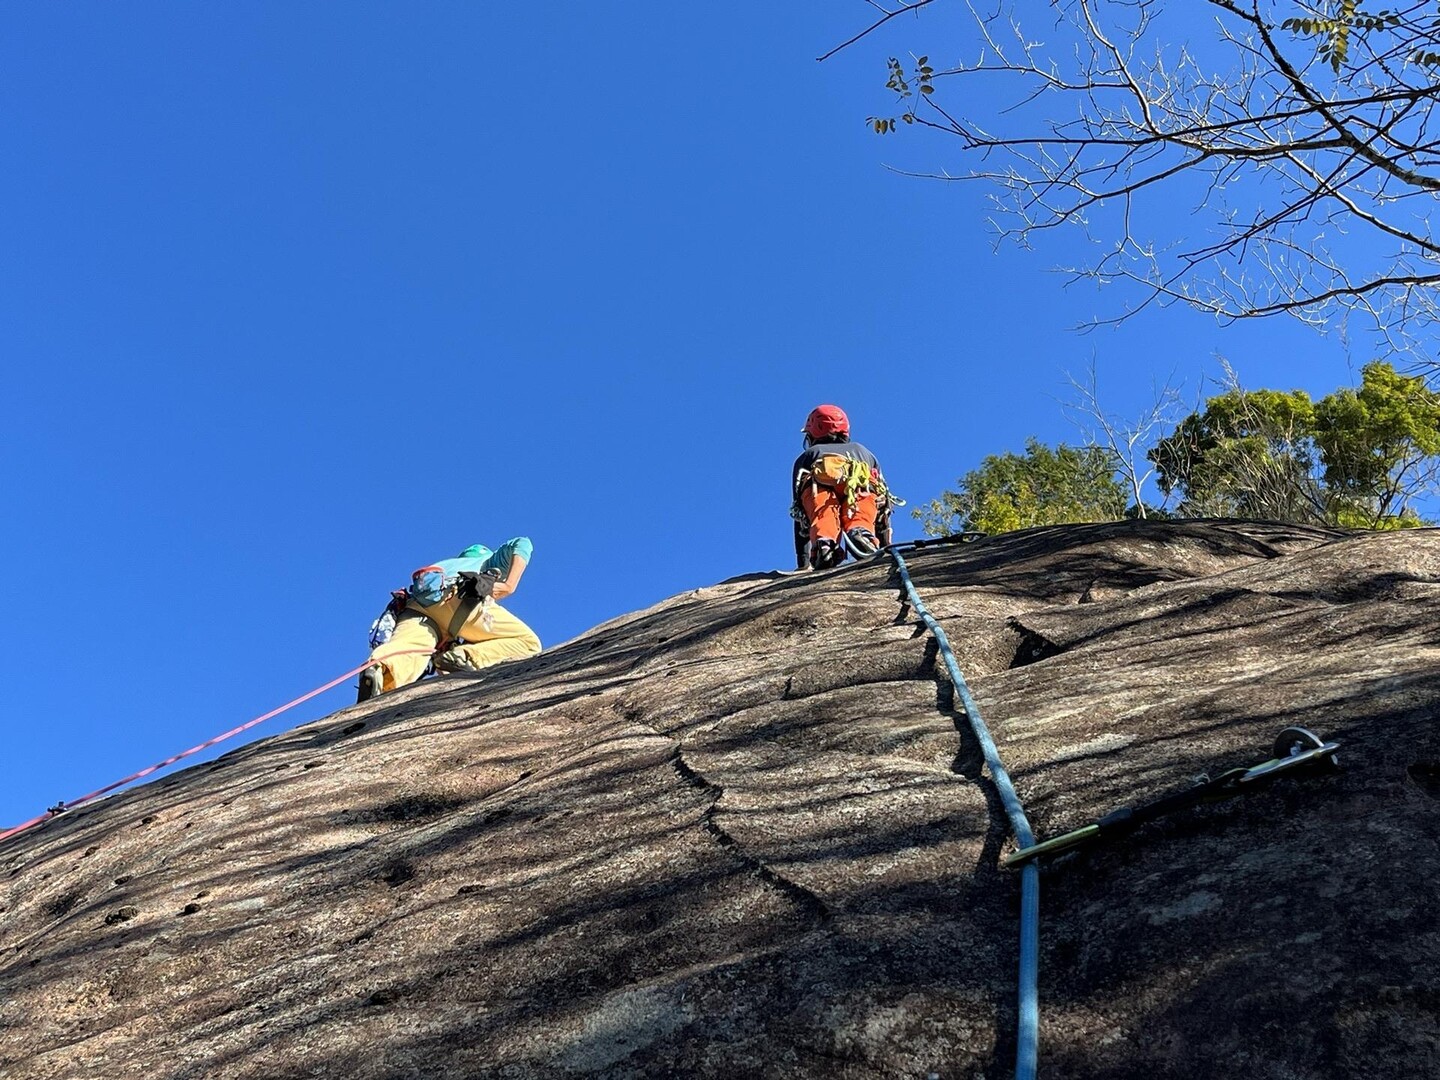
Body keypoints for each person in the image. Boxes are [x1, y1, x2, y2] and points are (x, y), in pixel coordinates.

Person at [358, 538, 541, 702]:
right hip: (461, 600)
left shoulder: (447, 565)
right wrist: (509, 585)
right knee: (528, 643)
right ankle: (464, 656)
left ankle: (379, 670)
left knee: (407, 648)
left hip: (418, 607)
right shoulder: (487, 559)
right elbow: (522, 543)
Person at [791, 405, 894, 570]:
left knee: (823, 515)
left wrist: (802, 562)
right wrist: (886, 545)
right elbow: (884, 503)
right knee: (861, 513)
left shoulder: (808, 455)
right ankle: (861, 533)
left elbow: (798, 512)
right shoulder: (863, 452)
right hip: (860, 486)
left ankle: (825, 544)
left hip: (818, 486)